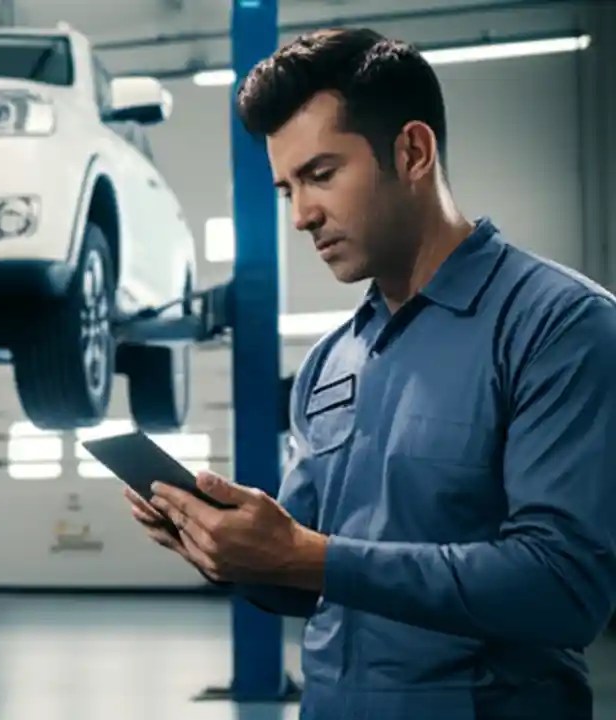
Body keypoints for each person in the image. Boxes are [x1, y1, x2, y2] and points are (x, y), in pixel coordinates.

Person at [126, 27, 616, 720]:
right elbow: (304, 571)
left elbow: (565, 589)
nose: (301, 216)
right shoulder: (332, 361)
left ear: (412, 152)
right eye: (287, 188)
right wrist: (229, 548)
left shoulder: (557, 325)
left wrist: (307, 557)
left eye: (322, 175)